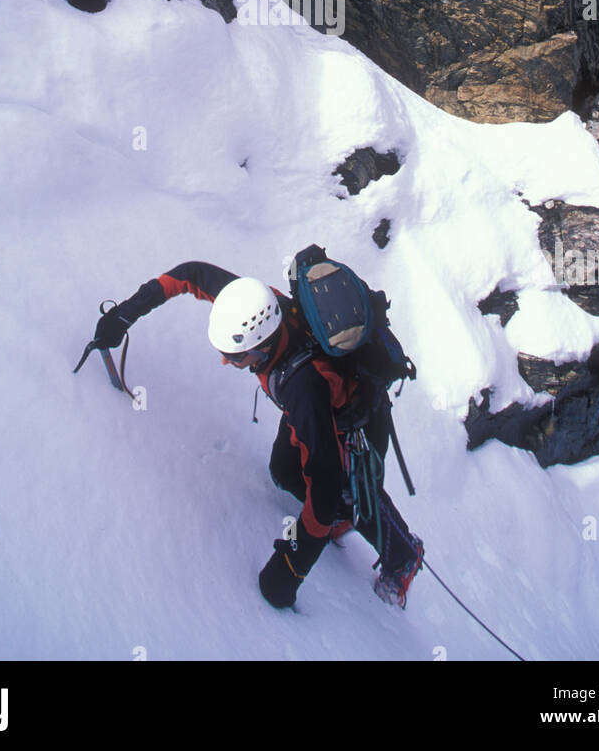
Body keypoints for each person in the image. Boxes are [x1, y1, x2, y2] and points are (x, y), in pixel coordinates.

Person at [92, 260, 424, 611]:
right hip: (312, 411)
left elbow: (322, 490)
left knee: (349, 494)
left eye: (234, 356)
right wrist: (124, 315)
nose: (225, 362)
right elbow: (191, 275)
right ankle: (343, 515)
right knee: (284, 472)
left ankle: (404, 555)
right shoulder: (255, 305)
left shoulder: (303, 388)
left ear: (261, 347)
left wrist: (288, 568)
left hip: (352, 423)